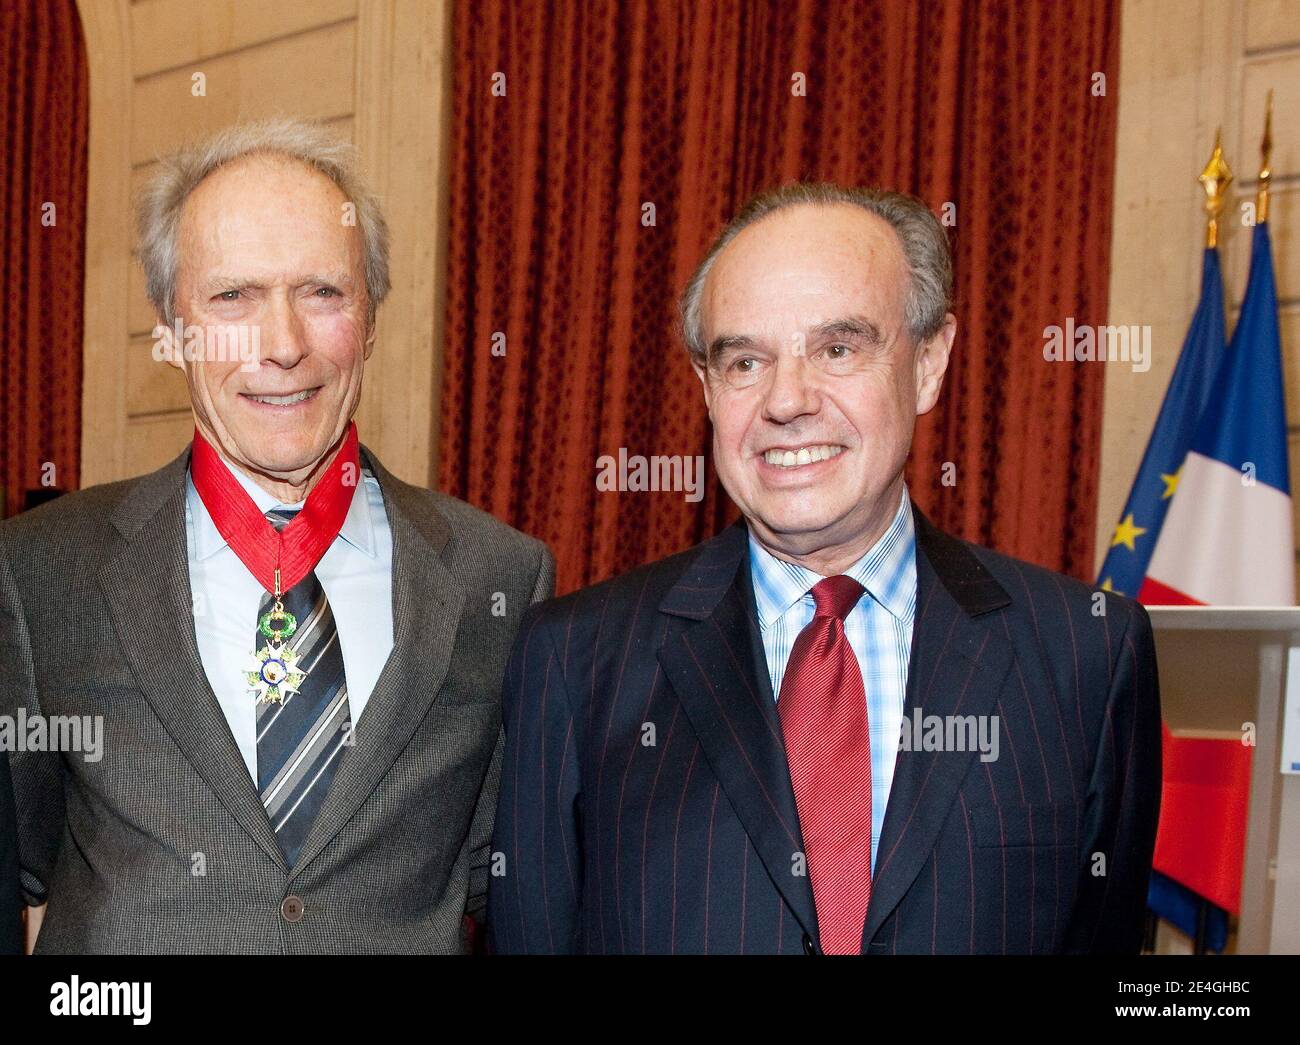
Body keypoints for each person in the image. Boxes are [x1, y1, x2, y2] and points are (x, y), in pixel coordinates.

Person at [488, 183, 1161, 954]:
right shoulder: (572, 662)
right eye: (745, 361)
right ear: (708, 390)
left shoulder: (1088, 656)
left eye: (838, 349)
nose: (787, 400)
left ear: (931, 363)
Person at [0, 117, 552, 953]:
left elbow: (512, 884)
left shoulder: (497, 578)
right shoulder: (41, 572)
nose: (283, 345)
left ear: (369, 317)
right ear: (173, 325)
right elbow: (26, 872)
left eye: (322, 293)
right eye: (233, 297)